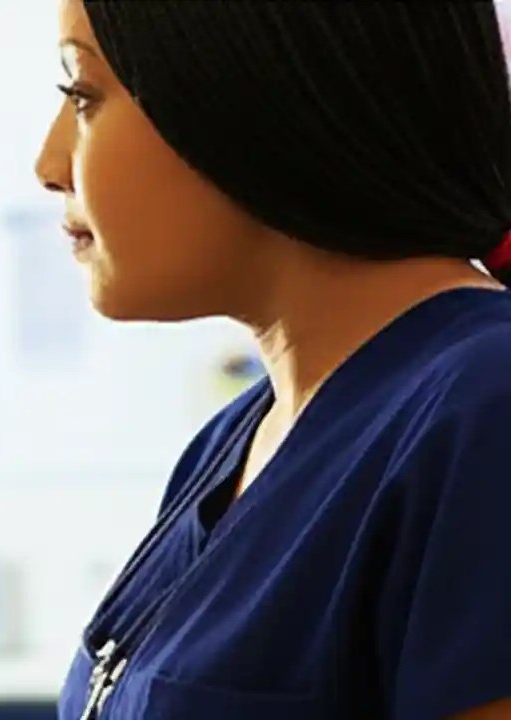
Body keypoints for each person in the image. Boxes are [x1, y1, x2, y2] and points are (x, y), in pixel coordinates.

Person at [35, 2, 511, 719]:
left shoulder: (485, 412)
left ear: (248, 89)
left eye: (83, 96)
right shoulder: (232, 443)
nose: (48, 164)